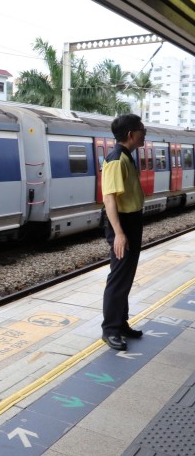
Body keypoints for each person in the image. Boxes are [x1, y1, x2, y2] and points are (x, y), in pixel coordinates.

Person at [101, 113, 146, 350]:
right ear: (131, 134)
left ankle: (121, 323)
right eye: (141, 130)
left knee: (126, 276)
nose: (144, 134)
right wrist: (119, 233)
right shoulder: (117, 159)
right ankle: (110, 330)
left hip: (131, 221)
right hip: (123, 223)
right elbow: (109, 199)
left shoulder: (126, 156)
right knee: (118, 278)